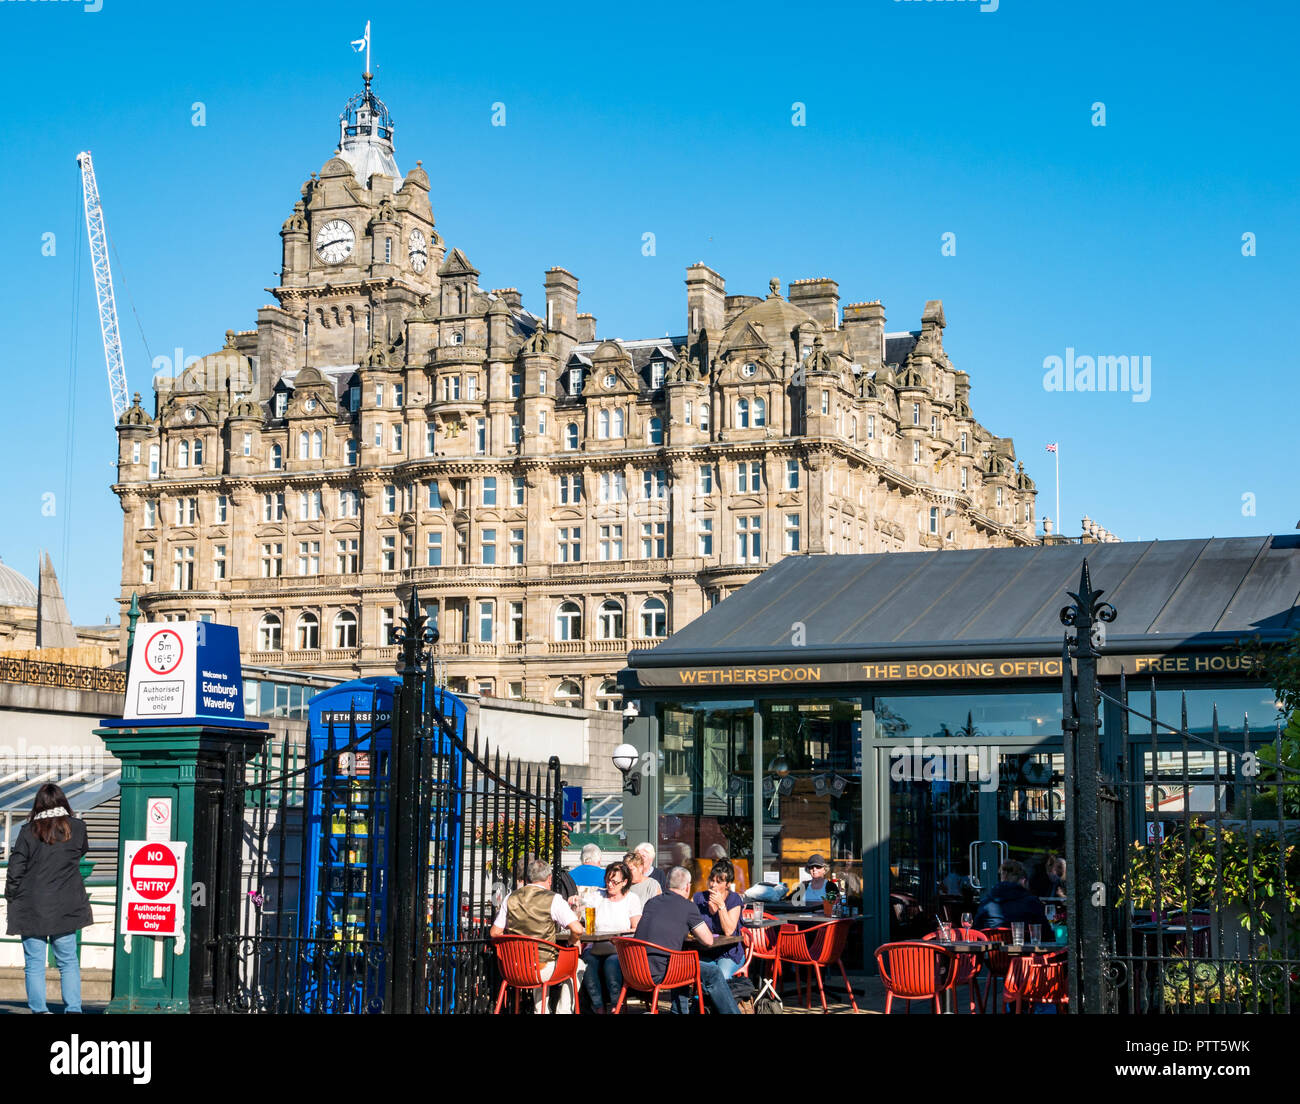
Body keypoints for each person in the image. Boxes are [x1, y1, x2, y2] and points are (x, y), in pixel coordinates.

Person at [3, 784, 93, 1014]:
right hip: (66, 904)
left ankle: (40, 1010)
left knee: (34, 963)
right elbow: (81, 851)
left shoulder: (28, 831)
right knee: (68, 961)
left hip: (31, 904)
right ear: (63, 801)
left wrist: (10, 895)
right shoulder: (78, 828)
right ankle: (73, 1009)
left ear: (38, 804)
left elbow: (16, 869)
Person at [636, 866, 740, 1014]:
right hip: (661, 971)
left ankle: (679, 1011)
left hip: (635, 969)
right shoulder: (687, 906)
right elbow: (708, 941)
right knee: (713, 972)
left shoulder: (651, 902)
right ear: (687, 887)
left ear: (666, 885)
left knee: (682, 963)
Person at [490, 857, 584, 1014]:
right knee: (578, 964)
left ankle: (540, 1009)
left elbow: (494, 933)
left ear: (527, 878)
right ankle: (564, 1010)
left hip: (513, 968)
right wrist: (572, 941)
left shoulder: (510, 898)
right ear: (549, 878)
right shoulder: (554, 899)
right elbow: (578, 929)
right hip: (541, 968)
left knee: (537, 959)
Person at [580, 861, 642, 1014]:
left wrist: (619, 935)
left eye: (614, 881)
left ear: (625, 882)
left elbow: (636, 928)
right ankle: (598, 1005)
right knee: (587, 962)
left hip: (619, 948)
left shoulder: (631, 899)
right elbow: (585, 919)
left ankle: (616, 1005)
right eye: (608, 880)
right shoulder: (597, 896)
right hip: (596, 946)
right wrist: (577, 905)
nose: (610, 884)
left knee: (612, 965)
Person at [691, 857, 744, 979]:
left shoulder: (734, 899)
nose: (713, 885)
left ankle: (710, 997)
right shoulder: (699, 898)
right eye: (711, 880)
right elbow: (686, 919)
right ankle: (702, 997)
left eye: (719, 882)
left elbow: (729, 931)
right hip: (703, 950)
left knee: (721, 976)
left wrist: (721, 906)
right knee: (697, 973)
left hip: (728, 952)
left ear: (728, 885)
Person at [972, 859, 1049, 931]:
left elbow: (976, 930)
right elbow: (1046, 931)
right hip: (1023, 944)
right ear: (1023, 881)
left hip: (993, 944)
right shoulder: (1032, 902)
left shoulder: (986, 902)